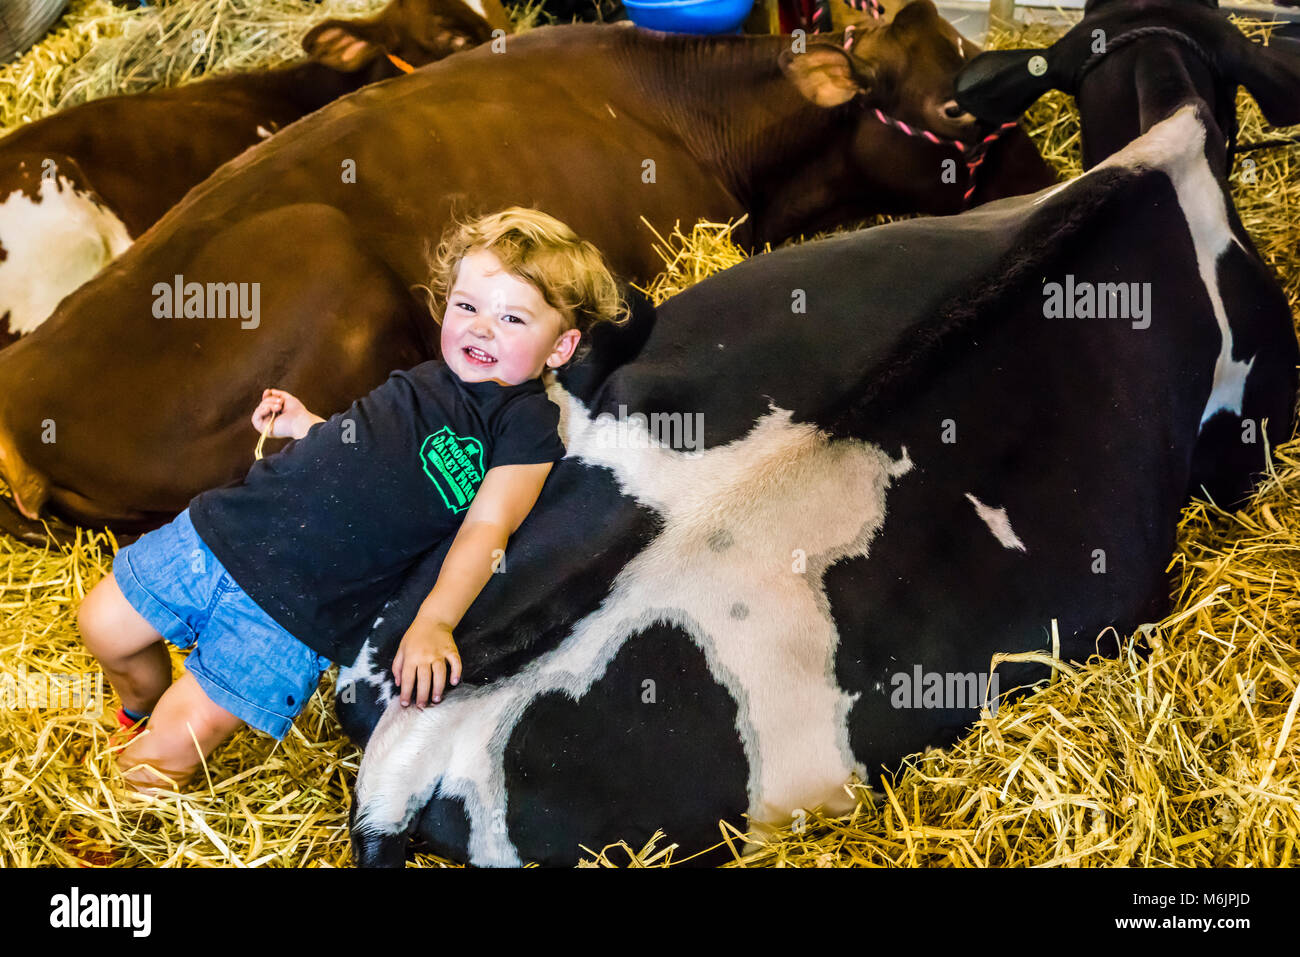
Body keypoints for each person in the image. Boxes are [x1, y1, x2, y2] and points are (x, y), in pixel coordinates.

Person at [77, 206, 629, 794]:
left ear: (560, 347)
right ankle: (138, 709)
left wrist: (435, 621)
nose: (480, 328)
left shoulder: (526, 431)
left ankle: (124, 809)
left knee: (175, 741)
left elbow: (488, 528)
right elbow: (365, 450)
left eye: (512, 318)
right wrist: (304, 424)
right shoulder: (425, 376)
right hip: (229, 530)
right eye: (467, 307)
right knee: (102, 626)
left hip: (298, 609)